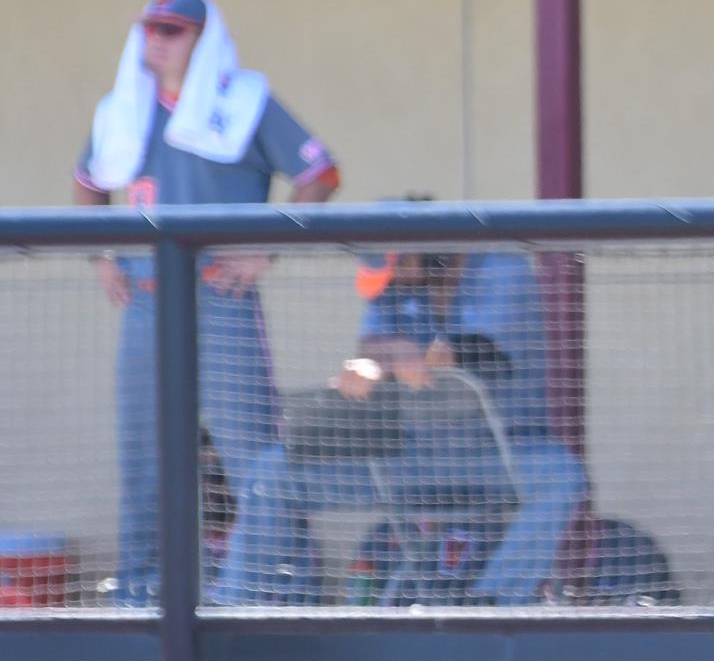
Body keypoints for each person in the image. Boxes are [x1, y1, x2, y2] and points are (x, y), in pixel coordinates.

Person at [75, 0, 340, 605]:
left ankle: (282, 583)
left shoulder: (245, 101)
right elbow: (88, 180)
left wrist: (266, 249)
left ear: (203, 39)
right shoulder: (125, 107)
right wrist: (101, 255)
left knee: (251, 448)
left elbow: (319, 173)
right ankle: (142, 587)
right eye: (151, 28)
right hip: (145, 299)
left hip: (220, 296)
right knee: (144, 445)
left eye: (173, 30)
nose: (157, 40)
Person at [213, 230, 587, 606]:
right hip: (409, 457)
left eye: (399, 269)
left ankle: (492, 603)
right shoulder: (397, 287)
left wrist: (409, 356)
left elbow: (476, 351)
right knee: (271, 472)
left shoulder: (501, 268)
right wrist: (377, 361)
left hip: (497, 457)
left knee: (563, 477)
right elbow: (370, 347)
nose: (393, 285)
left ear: (430, 252)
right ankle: (235, 605)